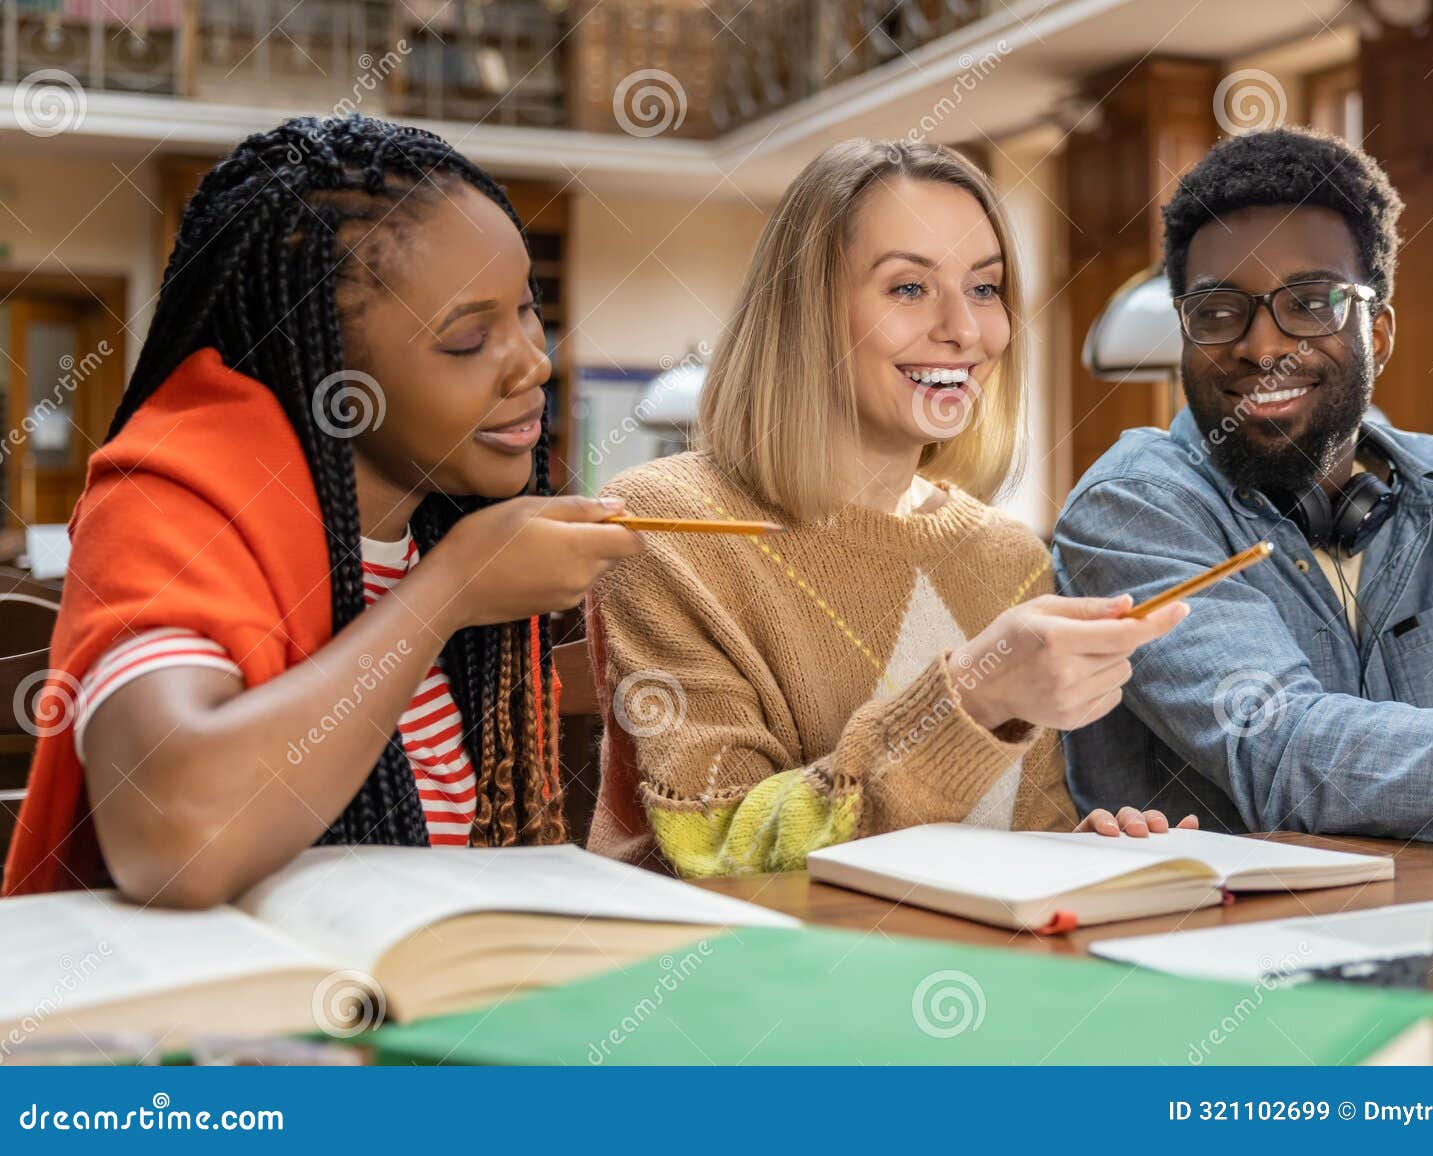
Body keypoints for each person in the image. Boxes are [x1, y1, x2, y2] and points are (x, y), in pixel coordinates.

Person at [2, 116, 641, 905]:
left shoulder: (441, 510)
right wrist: (450, 590)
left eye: (526, 310)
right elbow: (173, 837)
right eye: (469, 338)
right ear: (321, 364)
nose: (535, 360)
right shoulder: (168, 493)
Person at [586, 139, 1194, 877]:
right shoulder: (670, 524)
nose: (965, 331)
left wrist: (1069, 853)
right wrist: (966, 696)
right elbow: (720, 851)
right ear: (805, 313)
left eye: (984, 288)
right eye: (909, 288)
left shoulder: (1010, 558)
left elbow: (1013, 829)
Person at [1055, 127, 1433, 841]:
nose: (1262, 347)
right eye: (1216, 311)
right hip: (1213, 945)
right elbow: (1281, 751)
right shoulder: (1132, 509)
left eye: (1309, 303)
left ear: (1380, 334)